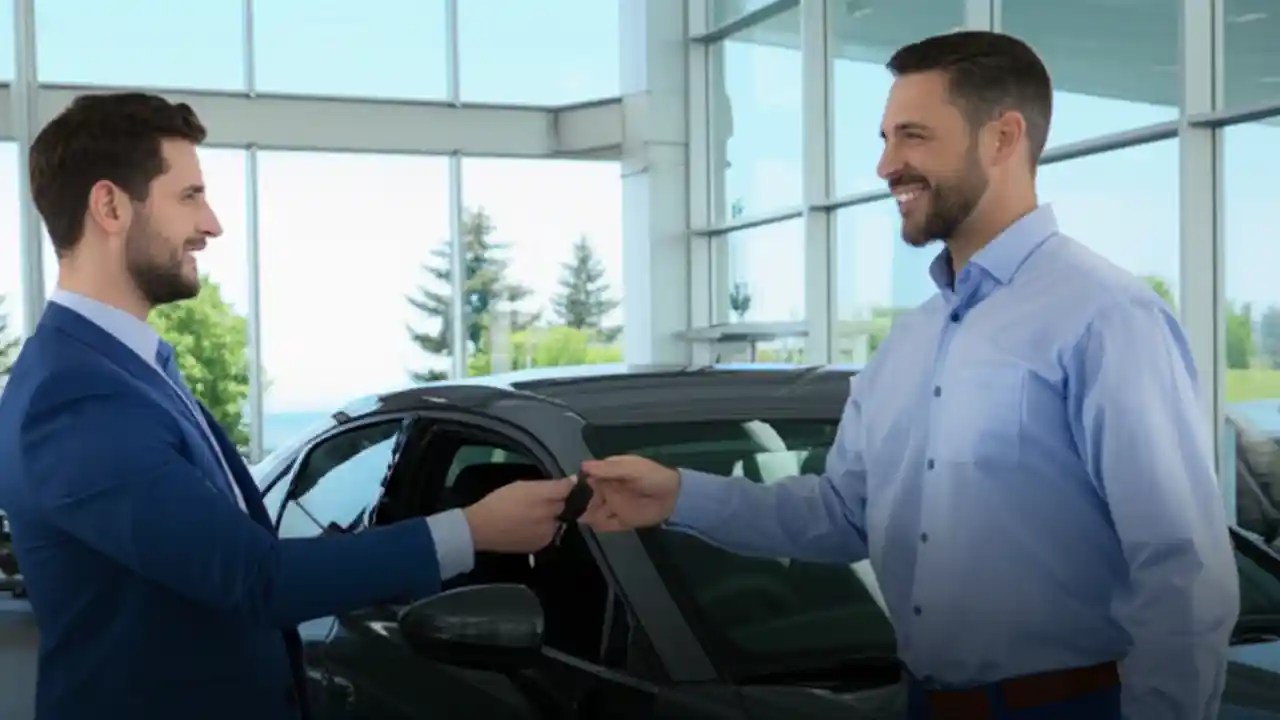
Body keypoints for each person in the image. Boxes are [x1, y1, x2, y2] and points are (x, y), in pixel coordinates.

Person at [579, 30, 1239, 720]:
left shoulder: (1108, 318)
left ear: (1002, 138)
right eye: (887, 138)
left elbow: (1183, 571)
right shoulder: (909, 342)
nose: (886, 165)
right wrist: (678, 496)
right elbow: (841, 513)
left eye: (913, 137)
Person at [0, 92, 576, 720]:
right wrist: (474, 529)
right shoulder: (75, 397)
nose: (213, 223)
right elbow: (256, 580)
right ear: (109, 205)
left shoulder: (127, 369)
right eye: (189, 195)